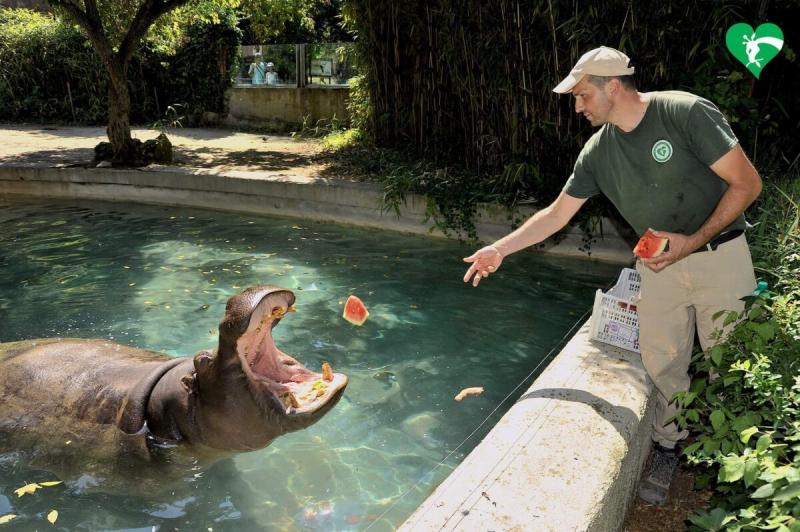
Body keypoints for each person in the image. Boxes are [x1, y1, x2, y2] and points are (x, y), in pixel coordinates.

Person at [462, 46, 761, 505]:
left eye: (582, 95)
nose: (577, 106)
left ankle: (744, 471)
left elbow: (748, 184)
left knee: (733, 365)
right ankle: (667, 446)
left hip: (720, 255)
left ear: (613, 86)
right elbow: (557, 214)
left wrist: (692, 241)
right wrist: (500, 248)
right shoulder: (598, 152)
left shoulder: (684, 112)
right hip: (657, 267)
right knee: (664, 363)